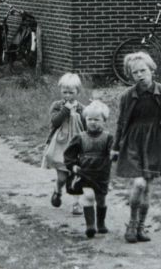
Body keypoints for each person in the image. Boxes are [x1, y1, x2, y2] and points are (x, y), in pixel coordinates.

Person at [111, 51, 161, 243]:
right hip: (132, 143)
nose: (140, 75)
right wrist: (115, 147)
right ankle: (132, 223)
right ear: (131, 75)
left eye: (143, 70)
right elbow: (121, 123)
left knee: (147, 188)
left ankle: (141, 227)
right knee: (138, 184)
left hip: (153, 143)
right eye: (135, 72)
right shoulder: (127, 96)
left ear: (152, 70)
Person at [64, 100, 114, 238]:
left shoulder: (108, 137)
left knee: (101, 200)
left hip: (102, 173)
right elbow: (69, 154)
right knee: (88, 196)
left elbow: (113, 152)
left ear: (104, 121)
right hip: (85, 173)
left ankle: (101, 223)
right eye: (89, 119)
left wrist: (114, 155)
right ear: (85, 120)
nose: (93, 122)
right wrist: (72, 165)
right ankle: (90, 225)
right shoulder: (80, 137)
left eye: (97, 119)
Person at [41, 73, 85, 215]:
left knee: (76, 176)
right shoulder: (57, 106)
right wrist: (65, 109)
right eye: (64, 92)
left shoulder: (82, 108)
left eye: (71, 92)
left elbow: (86, 126)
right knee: (62, 177)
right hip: (60, 145)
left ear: (77, 92)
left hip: (76, 146)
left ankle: (76, 204)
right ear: (60, 91)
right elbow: (55, 122)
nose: (67, 95)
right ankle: (58, 190)